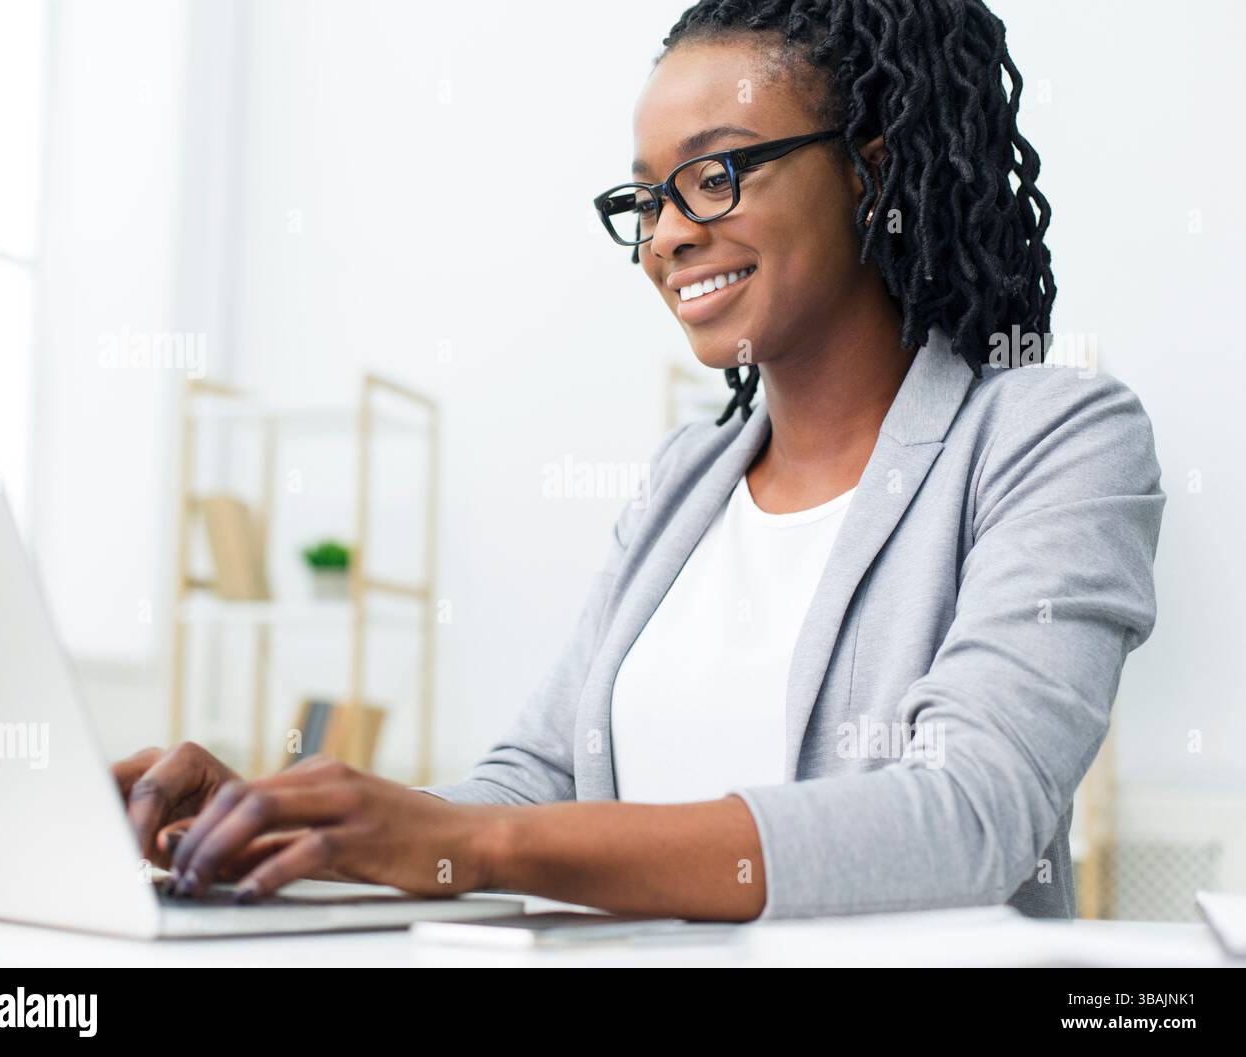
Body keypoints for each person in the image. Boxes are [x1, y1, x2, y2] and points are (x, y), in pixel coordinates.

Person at [113, 0, 1163, 922]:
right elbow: (532, 781)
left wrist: (482, 850)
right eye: (646, 199)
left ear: (868, 167)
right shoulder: (683, 484)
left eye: (712, 175)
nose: (664, 236)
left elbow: (969, 818)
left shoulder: (1050, 439)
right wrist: (289, 828)